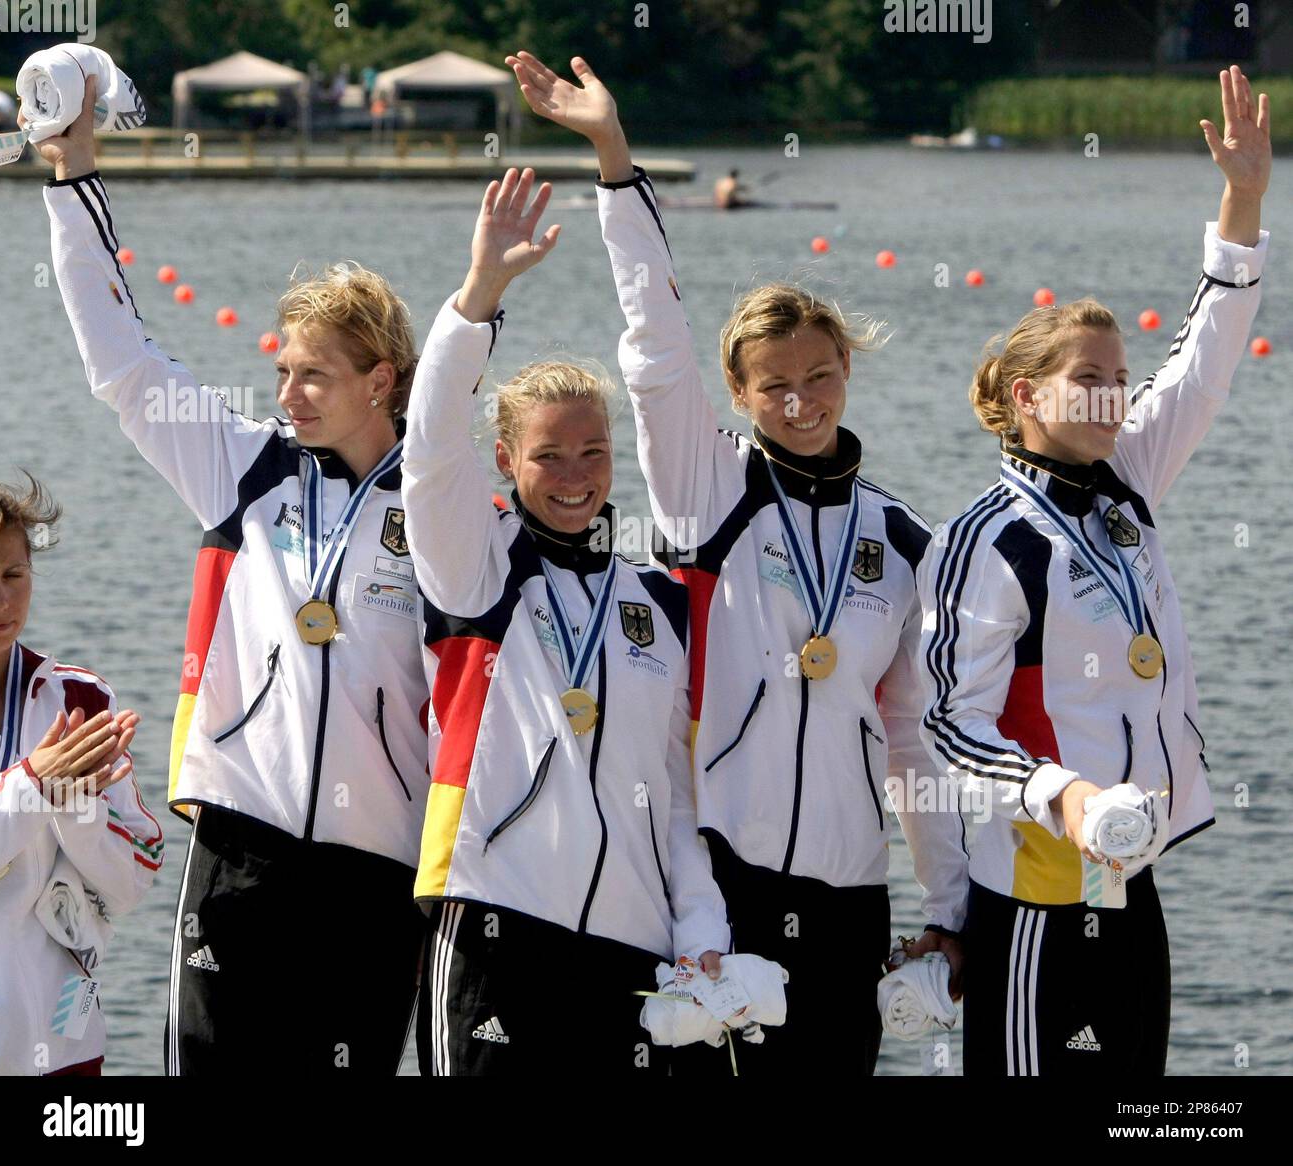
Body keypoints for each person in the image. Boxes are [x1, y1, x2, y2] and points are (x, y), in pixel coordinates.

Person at [506, 51, 969, 1075]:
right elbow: (653, 343)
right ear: (738, 391)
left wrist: (949, 905)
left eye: (817, 375)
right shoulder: (706, 491)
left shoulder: (902, 539)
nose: (799, 401)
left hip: (851, 893)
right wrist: (614, 159)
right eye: (772, 386)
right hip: (724, 881)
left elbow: (911, 739)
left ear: (846, 368)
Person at [30, 74, 431, 1075]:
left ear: (380, 379)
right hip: (239, 853)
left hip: (376, 869)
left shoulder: (445, 507)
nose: (286, 392)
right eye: (283, 368)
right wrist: (73, 175)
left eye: (313, 375)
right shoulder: (243, 464)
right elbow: (120, 360)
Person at [916, 66, 1269, 1075]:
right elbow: (949, 725)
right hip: (1036, 881)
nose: (1113, 397)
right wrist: (1061, 794)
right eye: (1088, 381)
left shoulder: (1127, 481)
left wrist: (1240, 202)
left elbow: (1204, 356)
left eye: (1119, 379)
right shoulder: (989, 535)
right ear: (1026, 394)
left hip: (1131, 875)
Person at [402, 166, 734, 1075]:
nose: (577, 472)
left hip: (630, 951)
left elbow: (670, 796)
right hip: (495, 922)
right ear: (508, 458)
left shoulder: (657, 601)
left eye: (594, 450)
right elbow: (429, 449)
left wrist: (700, 927)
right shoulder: (476, 565)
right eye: (550, 454)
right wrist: (479, 297)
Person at [0, 474, 161, 1075]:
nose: (1, 602)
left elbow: (133, 881)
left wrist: (77, 808)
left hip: (63, 1048)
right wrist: (35, 784)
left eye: (14, 576)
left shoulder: (79, 701)